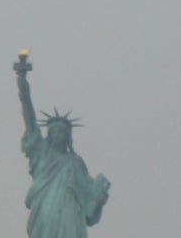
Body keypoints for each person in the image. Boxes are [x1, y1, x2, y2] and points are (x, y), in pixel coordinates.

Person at [16, 54, 110, 238]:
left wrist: (99, 193)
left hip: (69, 213)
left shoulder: (75, 163)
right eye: (54, 132)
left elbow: (88, 195)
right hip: (44, 210)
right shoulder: (40, 152)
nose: (58, 135)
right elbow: (29, 118)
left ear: (68, 137)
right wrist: (22, 84)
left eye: (62, 132)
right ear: (49, 135)